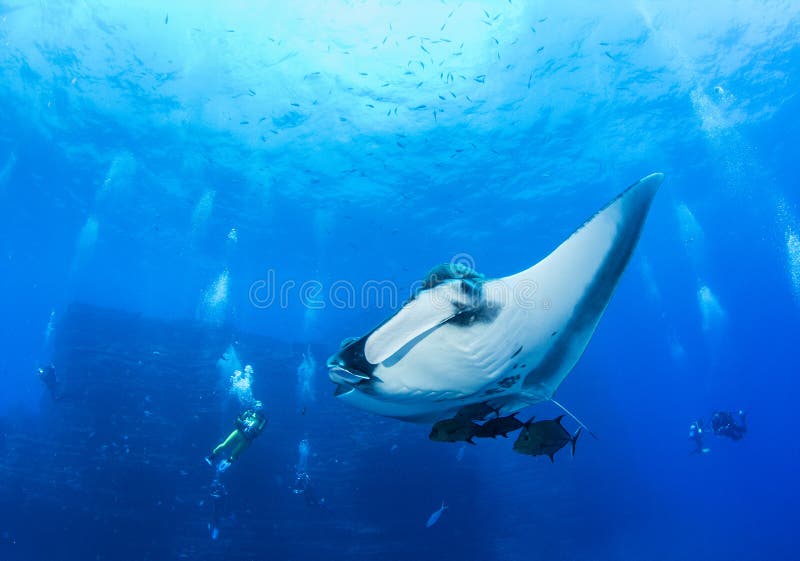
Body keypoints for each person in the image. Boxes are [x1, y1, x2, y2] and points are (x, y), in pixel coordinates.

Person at [206, 406, 268, 471]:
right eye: (257, 408)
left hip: (247, 439)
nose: (258, 411)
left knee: (235, 453)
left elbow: (259, 432)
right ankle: (211, 457)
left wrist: (253, 429)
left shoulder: (262, 420)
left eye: (260, 409)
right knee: (224, 445)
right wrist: (243, 423)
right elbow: (237, 420)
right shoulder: (249, 412)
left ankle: (226, 463)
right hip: (239, 433)